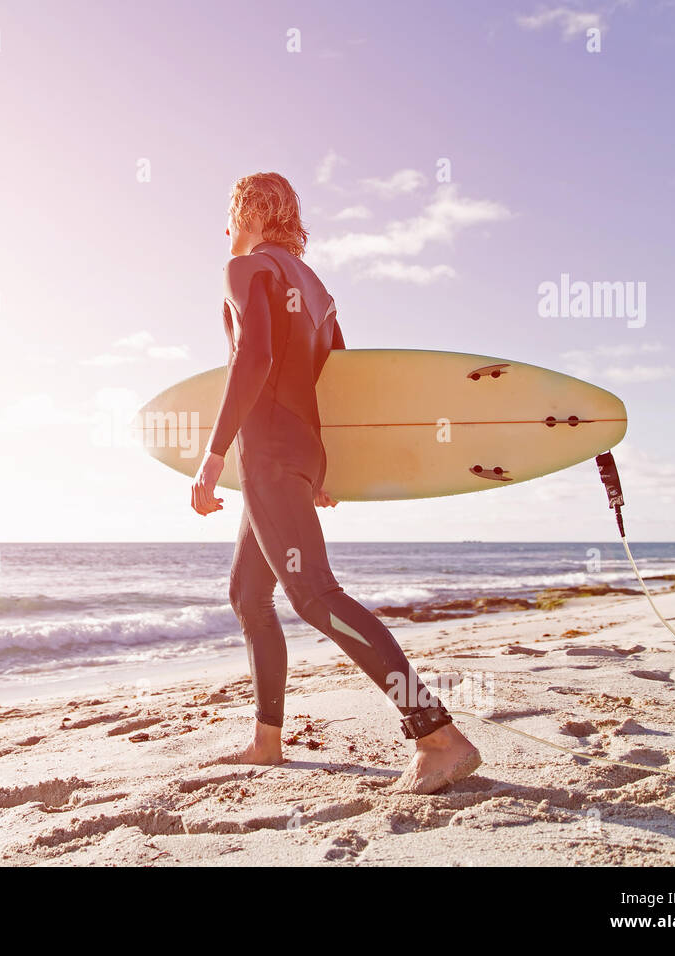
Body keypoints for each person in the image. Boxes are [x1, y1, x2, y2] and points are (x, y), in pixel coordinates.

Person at [190, 172, 482, 794]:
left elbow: (255, 358)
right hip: (296, 450)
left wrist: (214, 454)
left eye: (230, 214)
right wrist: (323, 468)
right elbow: (337, 385)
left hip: (266, 448)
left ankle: (437, 736)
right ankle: (267, 741)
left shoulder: (244, 269)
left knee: (315, 596)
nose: (226, 230)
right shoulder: (318, 291)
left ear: (249, 211)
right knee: (248, 593)